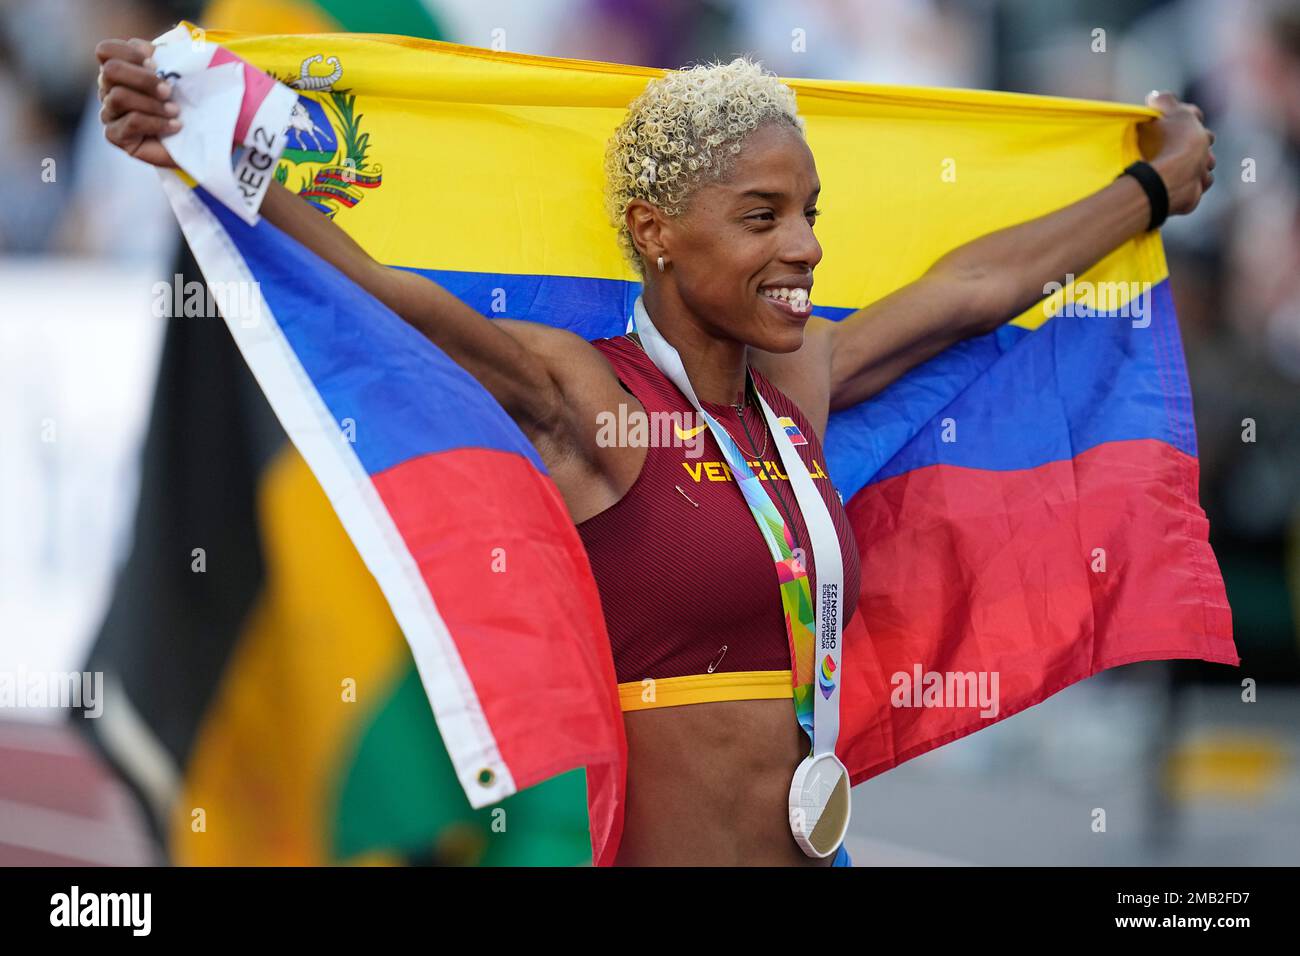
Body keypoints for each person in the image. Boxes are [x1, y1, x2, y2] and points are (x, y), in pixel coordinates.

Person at [94, 36, 1216, 866]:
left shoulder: (797, 389)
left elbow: (969, 293)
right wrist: (194, 148)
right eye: (762, 215)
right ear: (654, 231)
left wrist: (1149, 190)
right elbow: (395, 300)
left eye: (811, 212)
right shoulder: (584, 394)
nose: (808, 247)